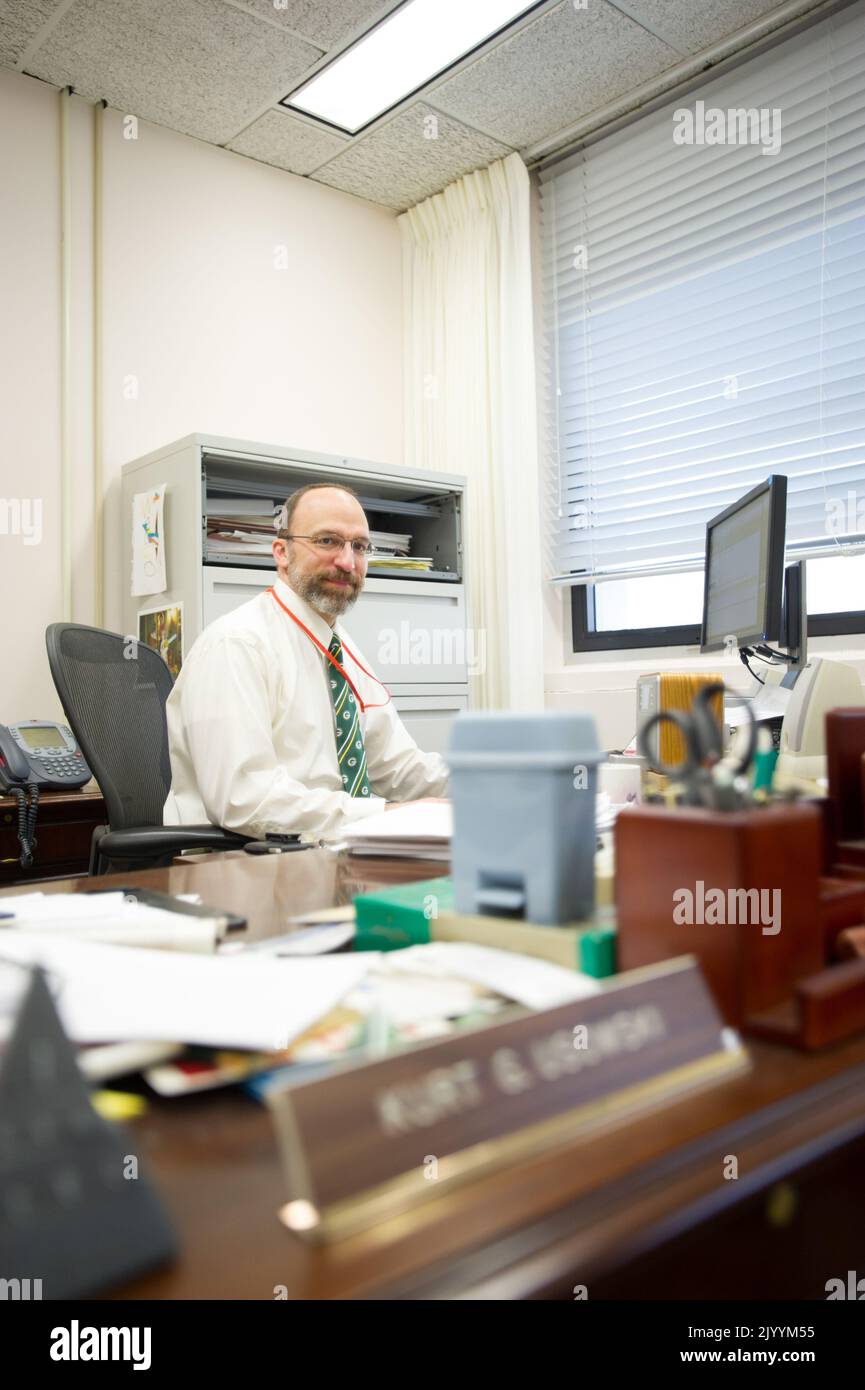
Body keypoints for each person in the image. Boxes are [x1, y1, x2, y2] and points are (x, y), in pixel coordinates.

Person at [163, 483, 449, 839]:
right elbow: (244, 800)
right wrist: (385, 815)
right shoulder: (236, 644)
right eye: (327, 541)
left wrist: (488, 782)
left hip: (327, 851)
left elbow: (397, 767)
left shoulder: (341, 647)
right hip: (240, 864)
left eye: (359, 547)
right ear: (282, 552)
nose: (347, 562)